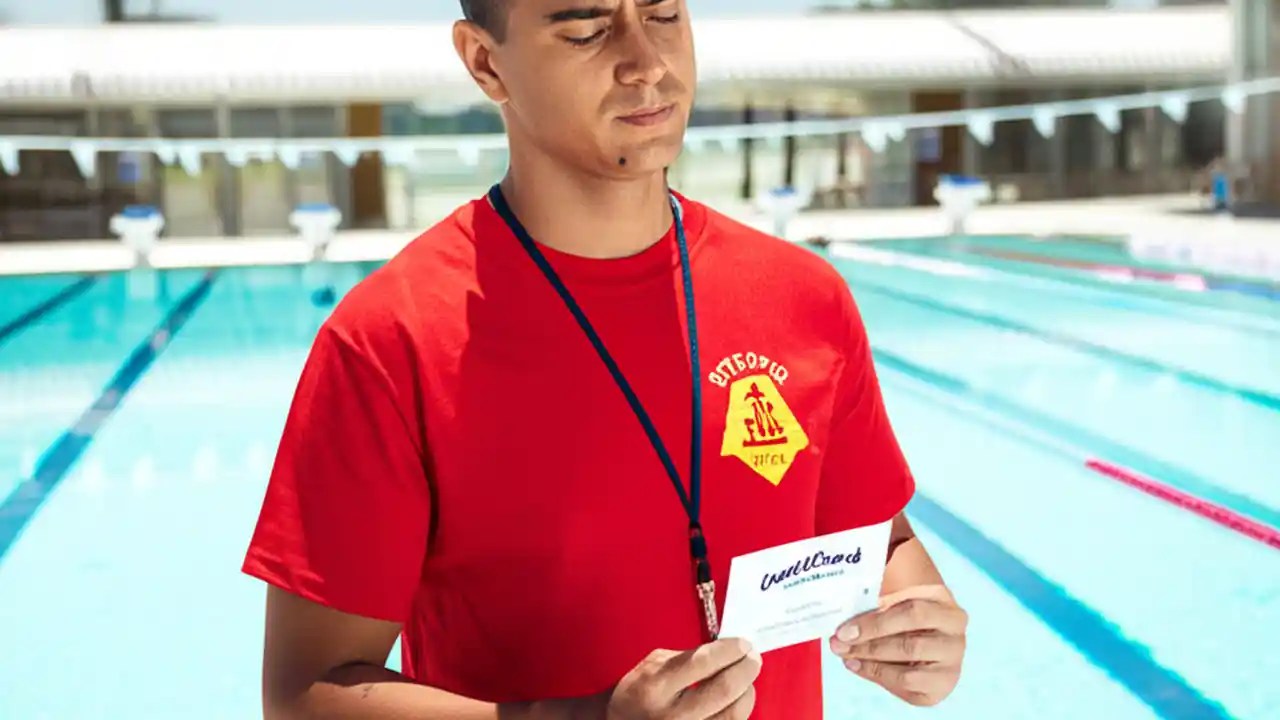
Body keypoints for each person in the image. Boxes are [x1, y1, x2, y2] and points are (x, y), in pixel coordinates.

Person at [241, 1, 968, 718]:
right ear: (485, 62)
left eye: (663, 17)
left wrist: (917, 624)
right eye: (587, 31)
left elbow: (882, 544)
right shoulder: (391, 340)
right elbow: (305, 693)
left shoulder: (803, 299)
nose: (646, 63)